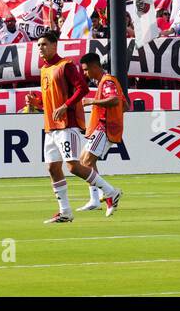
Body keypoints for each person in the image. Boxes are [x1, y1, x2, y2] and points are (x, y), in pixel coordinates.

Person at [38, 31, 120, 223]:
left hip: (68, 125)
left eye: (44, 45)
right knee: (52, 167)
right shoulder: (44, 70)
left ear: (54, 45)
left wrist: (66, 106)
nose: (40, 48)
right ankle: (65, 211)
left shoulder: (65, 65)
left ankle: (110, 191)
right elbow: (50, 101)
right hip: (50, 127)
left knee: (74, 166)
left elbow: (82, 87)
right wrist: (38, 102)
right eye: (38, 45)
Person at [78, 52, 125, 216]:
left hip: (104, 127)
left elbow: (115, 100)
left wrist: (92, 101)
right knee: (84, 162)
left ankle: (111, 193)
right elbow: (124, 104)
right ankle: (95, 199)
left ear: (93, 67)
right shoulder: (107, 82)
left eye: (85, 70)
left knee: (86, 162)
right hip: (103, 126)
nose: (85, 74)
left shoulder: (107, 81)